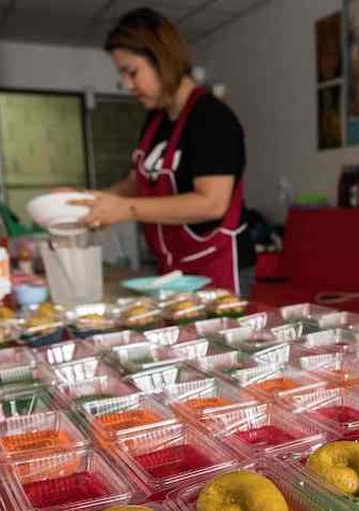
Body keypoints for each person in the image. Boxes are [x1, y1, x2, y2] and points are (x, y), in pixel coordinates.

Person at [66, 7, 255, 295]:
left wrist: (126, 210)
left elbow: (212, 203)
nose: (128, 85)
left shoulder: (211, 118)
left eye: (132, 72)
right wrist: (87, 201)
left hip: (217, 269)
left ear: (162, 59)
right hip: (172, 271)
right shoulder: (156, 120)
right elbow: (136, 181)